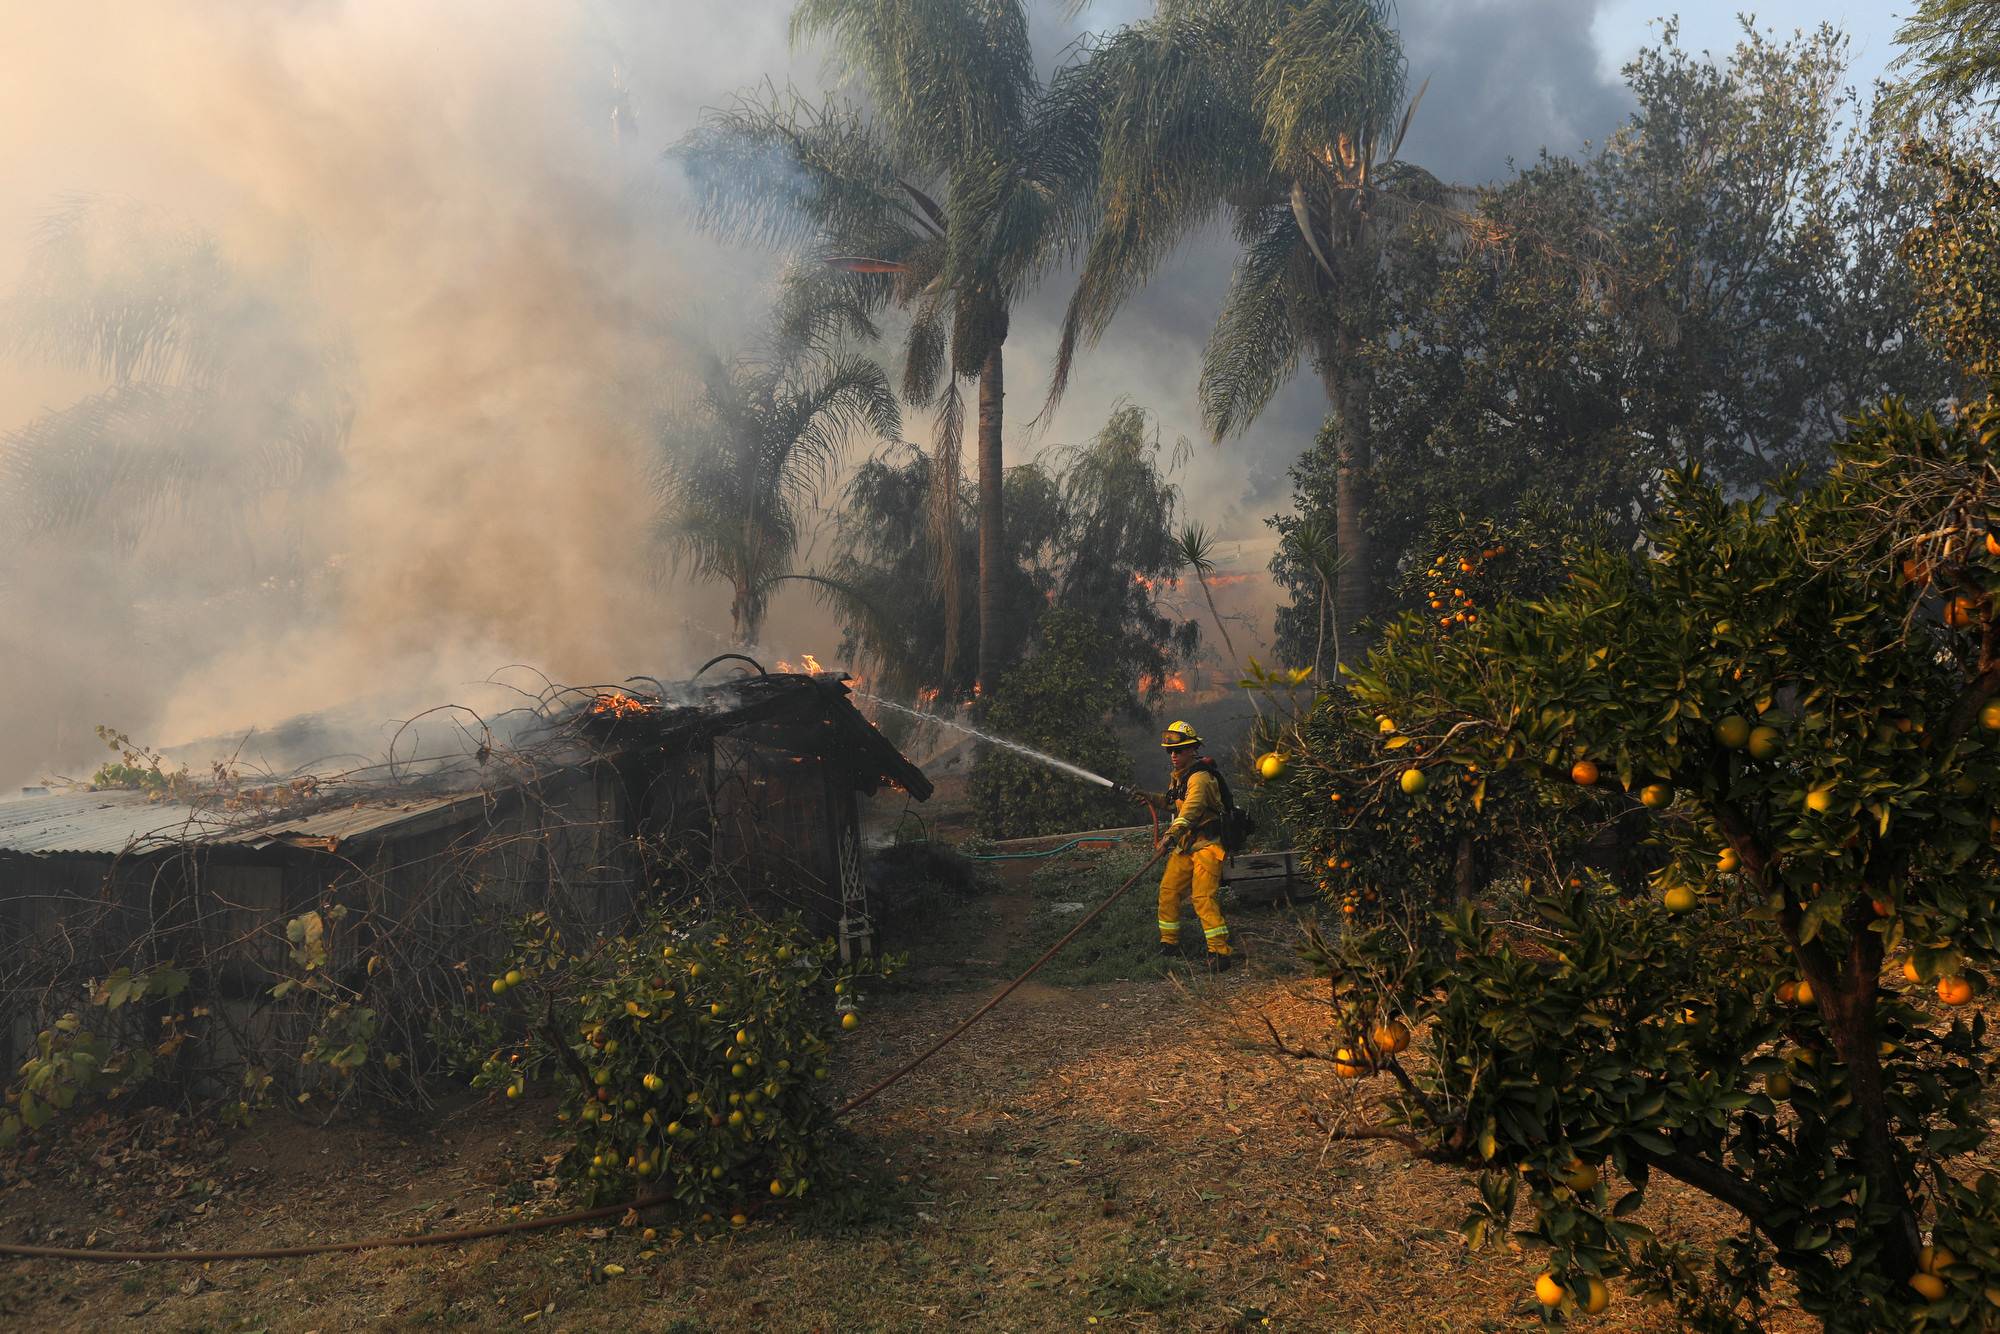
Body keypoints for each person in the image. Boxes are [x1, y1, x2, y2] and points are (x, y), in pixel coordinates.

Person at [1142, 720, 1233, 972]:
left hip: (1206, 846)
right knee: (1168, 890)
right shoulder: (1180, 778)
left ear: (1192, 749)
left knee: (1203, 897)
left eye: (1179, 750)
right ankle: (1169, 944)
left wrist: (1170, 836)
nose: (1173, 755)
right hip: (1186, 846)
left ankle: (1220, 953)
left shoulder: (1200, 778)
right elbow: (1175, 805)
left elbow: (1190, 811)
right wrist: (1150, 797)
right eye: (1170, 751)